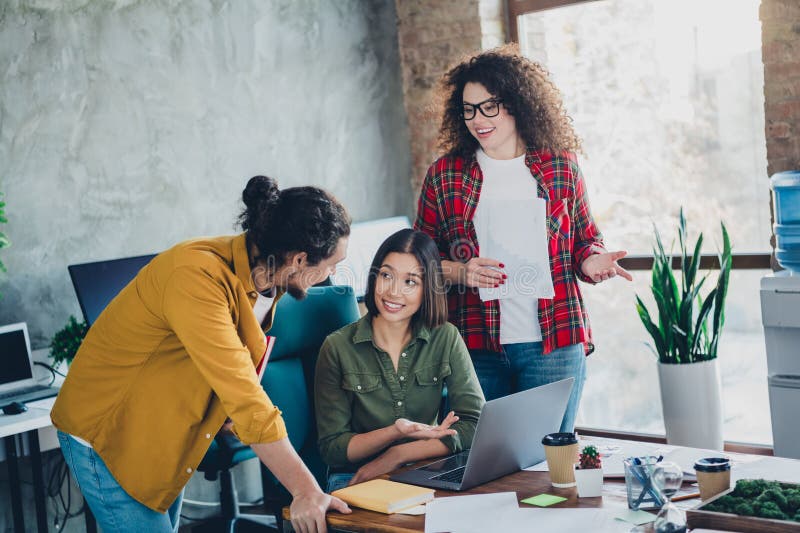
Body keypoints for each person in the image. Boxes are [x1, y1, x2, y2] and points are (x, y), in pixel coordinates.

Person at [51, 176, 352, 533]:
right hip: (110, 431)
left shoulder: (266, 277)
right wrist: (304, 491)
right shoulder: (196, 277)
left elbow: (219, 358)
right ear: (299, 259)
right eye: (332, 263)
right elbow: (247, 397)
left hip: (164, 427)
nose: (333, 273)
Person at [414, 44, 632, 433]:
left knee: (550, 462)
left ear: (516, 103)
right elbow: (416, 261)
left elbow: (584, 239)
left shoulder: (560, 166)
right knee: (484, 463)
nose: (477, 119)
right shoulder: (444, 175)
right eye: (468, 109)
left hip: (555, 342)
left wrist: (592, 260)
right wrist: (460, 272)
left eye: (488, 106)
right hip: (474, 345)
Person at [314, 229, 485, 491]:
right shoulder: (337, 347)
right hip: (357, 477)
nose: (394, 292)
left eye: (411, 282)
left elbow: (475, 424)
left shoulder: (446, 337)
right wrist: (396, 431)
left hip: (423, 471)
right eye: (386, 275)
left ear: (427, 288)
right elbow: (333, 449)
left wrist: (399, 454)